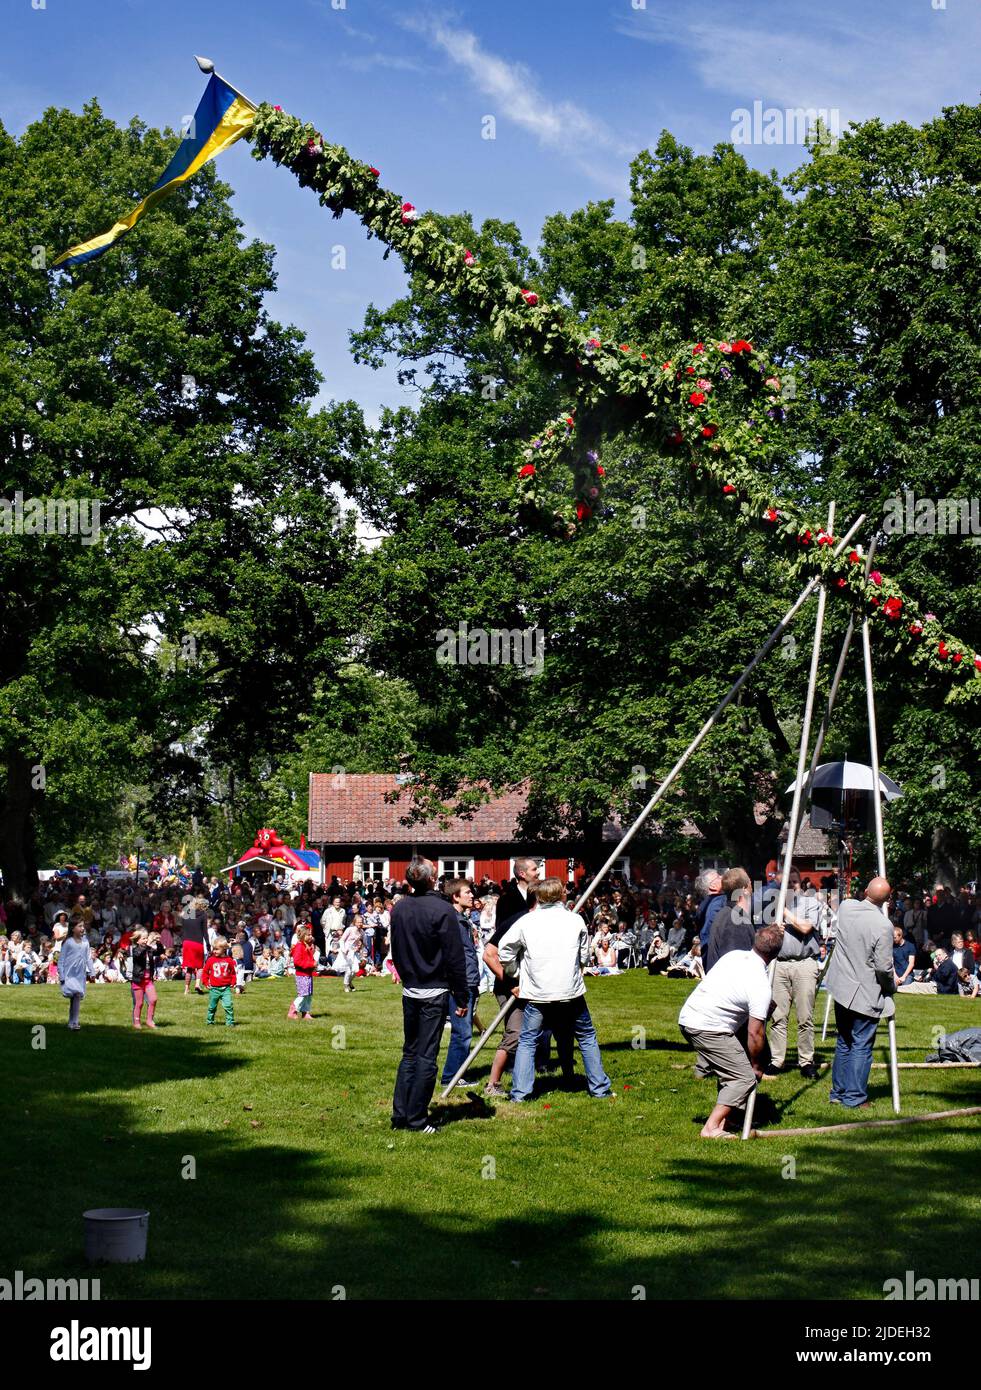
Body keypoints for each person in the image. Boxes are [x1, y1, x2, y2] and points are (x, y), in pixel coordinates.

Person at [496, 877, 612, 1103]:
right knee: (586, 1037)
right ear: (561, 895)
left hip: (538, 993)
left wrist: (513, 971)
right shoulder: (575, 920)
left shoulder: (526, 922)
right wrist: (578, 967)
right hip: (570, 991)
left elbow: (505, 949)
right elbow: (585, 953)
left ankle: (520, 1093)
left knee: (528, 1041)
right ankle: (599, 1088)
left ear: (538, 896)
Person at [678, 925, 784, 1138]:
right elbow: (755, 1033)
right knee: (744, 1078)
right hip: (708, 1027)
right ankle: (711, 1127)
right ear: (775, 956)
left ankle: (731, 1119)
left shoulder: (733, 956)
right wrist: (756, 1065)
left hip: (689, 1017)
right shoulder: (761, 986)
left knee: (732, 1070)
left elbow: (733, 992)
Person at [390, 857, 469, 1134]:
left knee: (410, 1052)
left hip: (412, 989)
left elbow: (396, 951)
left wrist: (408, 975)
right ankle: (416, 1119)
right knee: (425, 1056)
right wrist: (462, 996)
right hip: (432, 991)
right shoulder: (442, 910)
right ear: (431, 880)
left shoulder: (399, 909)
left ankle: (401, 1114)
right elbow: (454, 957)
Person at [825, 876, 895, 1108]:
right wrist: (891, 987)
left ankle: (838, 1092)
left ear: (865, 890)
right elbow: (883, 967)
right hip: (864, 993)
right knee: (861, 1044)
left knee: (844, 1041)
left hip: (841, 988)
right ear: (887, 900)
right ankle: (854, 1097)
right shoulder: (883, 925)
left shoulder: (847, 908)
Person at [481, 858, 544, 1099]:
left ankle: (527, 1075)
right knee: (515, 1032)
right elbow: (490, 953)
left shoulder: (537, 922)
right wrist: (511, 983)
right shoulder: (516, 919)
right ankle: (493, 1082)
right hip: (510, 983)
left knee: (533, 1031)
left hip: (530, 983)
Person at [767, 869, 823, 1079]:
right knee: (778, 1016)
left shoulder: (810, 902)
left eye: (794, 882)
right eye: (786, 883)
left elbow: (806, 927)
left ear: (800, 883)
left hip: (804, 963)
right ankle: (777, 1060)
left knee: (805, 1016)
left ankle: (806, 1061)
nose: (791, 886)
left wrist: (785, 913)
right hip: (779, 964)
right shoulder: (770, 904)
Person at [439, 879, 483, 1090]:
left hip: (468, 980)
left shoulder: (462, 920)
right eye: (467, 892)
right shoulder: (454, 921)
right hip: (461, 983)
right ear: (456, 896)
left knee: (464, 1030)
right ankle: (452, 1077)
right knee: (463, 1031)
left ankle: (456, 1074)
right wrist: (462, 985)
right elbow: (455, 956)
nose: (472, 895)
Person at [705, 868, 754, 972]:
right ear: (744, 889)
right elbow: (736, 966)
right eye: (749, 881)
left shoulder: (728, 914)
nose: (752, 884)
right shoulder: (735, 921)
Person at [58, 919, 90, 1031]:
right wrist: (61, 975)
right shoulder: (68, 942)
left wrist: (92, 971)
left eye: (83, 926)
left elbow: (88, 958)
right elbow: (61, 960)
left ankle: (72, 1022)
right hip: (69, 974)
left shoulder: (85, 942)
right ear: (73, 929)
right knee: (75, 995)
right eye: (79, 926)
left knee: (75, 998)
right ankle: (74, 1022)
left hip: (80, 975)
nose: (82, 928)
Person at [128, 929, 159, 1030]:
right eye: (143, 939)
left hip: (148, 980)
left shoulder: (148, 949)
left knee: (153, 999)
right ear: (137, 941)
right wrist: (148, 944)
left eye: (146, 938)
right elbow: (140, 954)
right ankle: (136, 1022)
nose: (145, 940)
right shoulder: (136, 950)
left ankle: (149, 1020)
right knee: (139, 1003)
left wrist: (156, 941)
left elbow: (158, 951)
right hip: (138, 980)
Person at [202, 937, 237, 1027]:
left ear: (224, 949)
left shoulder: (229, 960)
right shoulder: (210, 960)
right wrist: (205, 982)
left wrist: (233, 981)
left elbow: (233, 972)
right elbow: (205, 972)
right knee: (212, 1007)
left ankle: (230, 1022)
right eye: (214, 949)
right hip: (214, 988)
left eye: (217, 949)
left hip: (226, 988)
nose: (214, 951)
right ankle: (210, 1021)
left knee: (228, 1005)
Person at [288, 925, 317, 1019]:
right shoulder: (299, 947)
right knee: (303, 994)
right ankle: (293, 1009)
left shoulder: (306, 946)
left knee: (308, 995)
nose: (310, 937)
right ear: (303, 936)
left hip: (308, 974)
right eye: (308, 935)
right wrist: (311, 964)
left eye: (311, 935)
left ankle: (305, 1012)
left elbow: (309, 957)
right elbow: (297, 962)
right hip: (302, 975)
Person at [892, 923, 916, 990]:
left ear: (900, 936)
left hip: (907, 974)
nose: (893, 939)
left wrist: (903, 977)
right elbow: (891, 962)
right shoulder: (892, 946)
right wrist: (895, 976)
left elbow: (911, 963)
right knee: (892, 989)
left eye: (895, 938)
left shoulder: (910, 946)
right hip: (895, 974)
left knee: (905, 989)